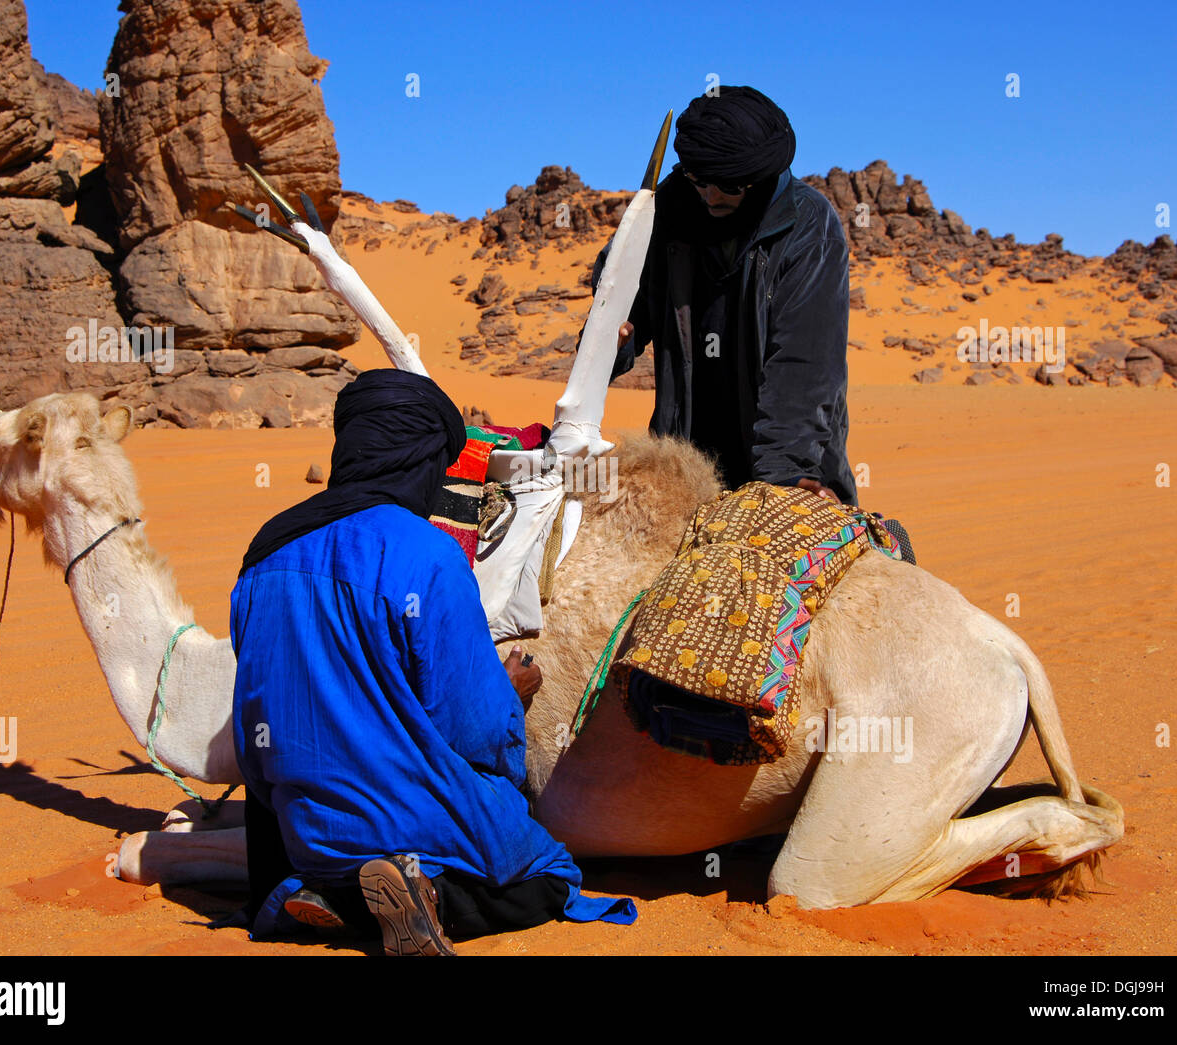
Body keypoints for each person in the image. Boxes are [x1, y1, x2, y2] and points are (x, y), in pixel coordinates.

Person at [230, 368, 635, 955]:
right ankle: (426, 894)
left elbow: (254, 727)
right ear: (422, 461)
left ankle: (326, 893)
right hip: (413, 823)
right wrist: (510, 696)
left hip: (307, 833)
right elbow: (473, 728)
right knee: (550, 877)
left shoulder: (266, 553)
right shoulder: (428, 554)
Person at [605, 85, 857, 505]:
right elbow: (616, 303)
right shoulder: (666, 212)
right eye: (698, 180)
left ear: (759, 177)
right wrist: (611, 347)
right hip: (685, 469)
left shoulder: (808, 225)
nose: (711, 195)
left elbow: (804, 361)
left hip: (787, 466)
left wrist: (783, 479)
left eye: (729, 185)